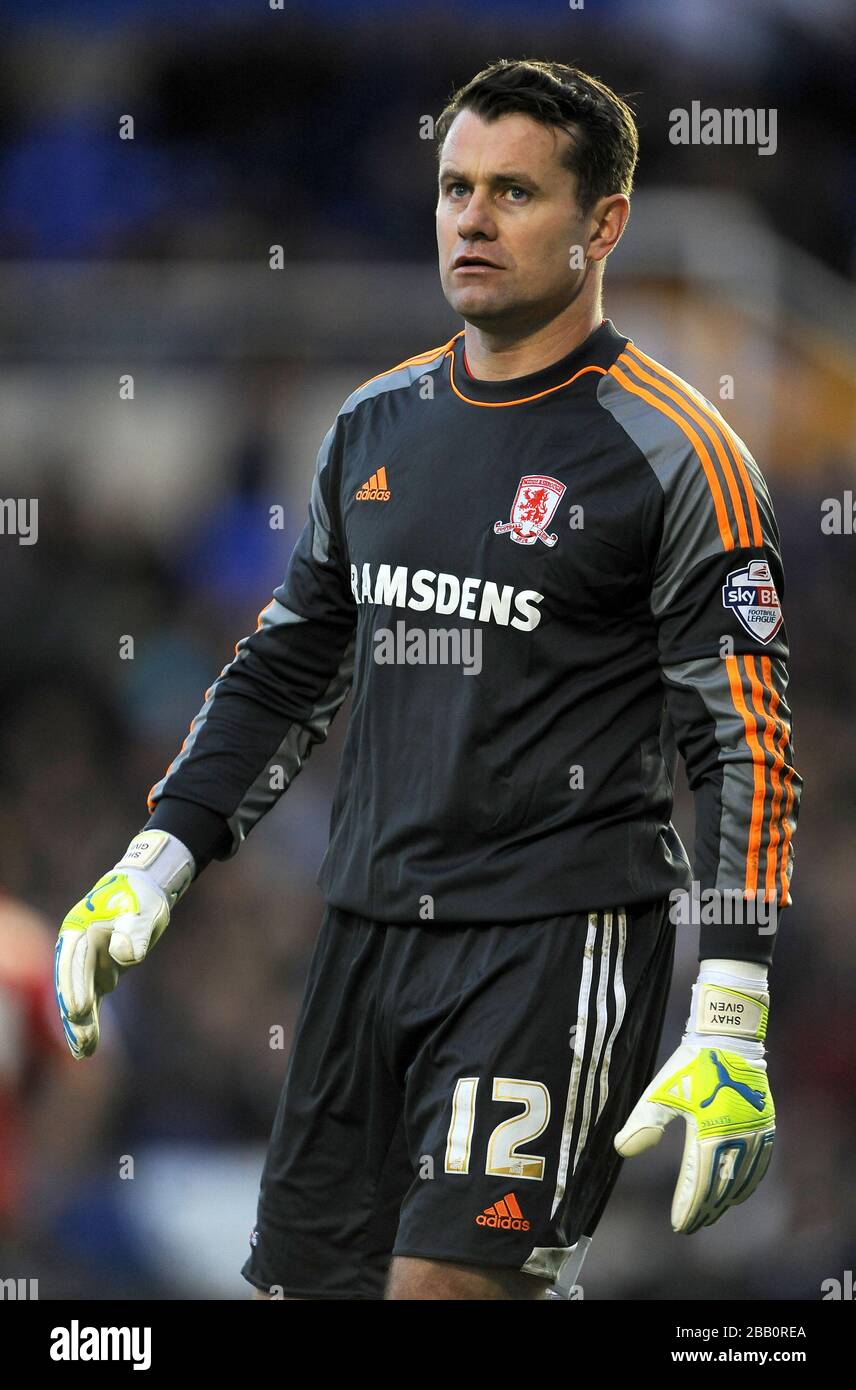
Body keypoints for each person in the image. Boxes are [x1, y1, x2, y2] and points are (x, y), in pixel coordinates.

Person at [54, 58, 801, 1301]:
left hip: (550, 946)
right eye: (456, 187)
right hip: (362, 937)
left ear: (602, 224)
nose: (471, 217)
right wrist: (159, 855)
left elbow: (746, 735)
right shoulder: (374, 424)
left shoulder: (679, 450)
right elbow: (290, 661)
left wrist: (729, 997)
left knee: (448, 1293)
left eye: (514, 192)